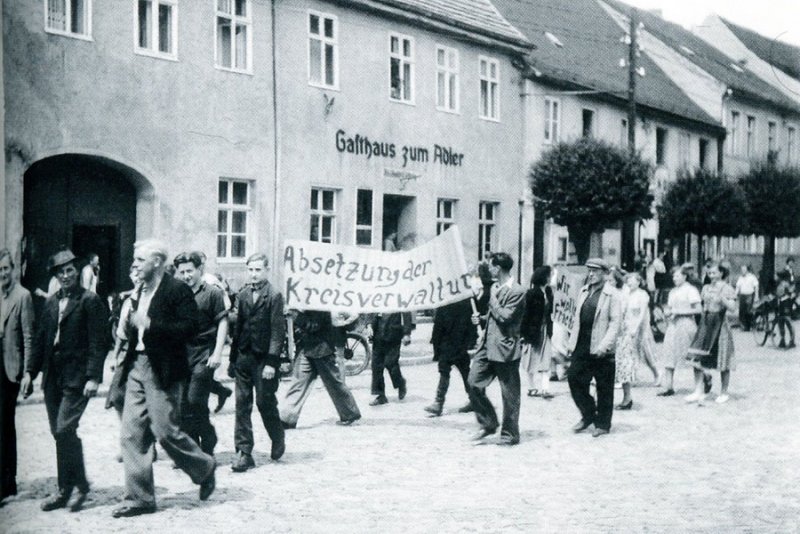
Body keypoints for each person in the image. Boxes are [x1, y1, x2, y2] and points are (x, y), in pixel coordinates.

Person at [112, 239, 216, 518]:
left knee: (165, 432)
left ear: (156, 262)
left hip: (163, 369)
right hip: (136, 365)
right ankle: (140, 498)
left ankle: (204, 468)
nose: (134, 265)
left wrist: (151, 325)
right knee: (131, 433)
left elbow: (190, 328)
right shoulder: (139, 289)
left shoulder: (176, 289)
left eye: (139, 260)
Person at [22, 249, 108, 512]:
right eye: (61, 272)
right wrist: (29, 372)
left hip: (77, 378)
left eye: (70, 270)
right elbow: (40, 341)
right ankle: (66, 489)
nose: (66, 275)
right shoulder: (51, 302)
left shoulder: (89, 300)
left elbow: (99, 342)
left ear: (77, 271)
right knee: (60, 433)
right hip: (53, 377)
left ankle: (78, 486)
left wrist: (93, 377)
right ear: (56, 277)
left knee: (63, 429)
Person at [229, 253, 286, 472]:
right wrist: (233, 359)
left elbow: (277, 332)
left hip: (264, 359)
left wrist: (272, 363)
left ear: (266, 270)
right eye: (251, 270)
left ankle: (277, 435)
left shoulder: (274, 295)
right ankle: (244, 452)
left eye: (258, 270)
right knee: (242, 404)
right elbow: (238, 329)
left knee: (264, 401)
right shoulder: (243, 294)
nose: (254, 274)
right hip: (244, 357)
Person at [467, 252, 526, 446]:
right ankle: (489, 422)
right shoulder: (495, 286)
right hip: (486, 346)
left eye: (491, 266)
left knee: (510, 394)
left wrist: (492, 298)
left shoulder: (518, 291)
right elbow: (494, 316)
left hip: (505, 348)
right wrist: (482, 318)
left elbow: (506, 317)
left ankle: (510, 434)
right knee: (473, 382)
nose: (489, 269)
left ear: (498, 268)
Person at [174, 252, 228, 455]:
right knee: (182, 405)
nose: (186, 276)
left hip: (204, 352)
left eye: (190, 271)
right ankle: (195, 448)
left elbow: (222, 322)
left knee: (195, 400)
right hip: (181, 353)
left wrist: (217, 353)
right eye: (182, 272)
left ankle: (208, 437)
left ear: (200, 270)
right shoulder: (176, 294)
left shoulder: (213, 293)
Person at [566, 258, 622, 438]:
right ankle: (588, 413)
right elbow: (576, 319)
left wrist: (604, 346)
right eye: (589, 271)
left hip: (601, 347)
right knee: (574, 378)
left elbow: (615, 324)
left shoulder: (612, 295)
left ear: (605, 274)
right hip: (582, 344)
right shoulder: (583, 291)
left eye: (595, 271)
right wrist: (571, 343)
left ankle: (603, 424)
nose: (591, 274)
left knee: (604, 386)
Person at [280, 310, 361, 427]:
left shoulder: (321, 307)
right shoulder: (310, 305)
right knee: (299, 383)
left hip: (323, 350)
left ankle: (350, 413)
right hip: (308, 348)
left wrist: (296, 316)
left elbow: (314, 326)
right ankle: (287, 418)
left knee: (334, 383)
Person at [0, 249, 34, 503]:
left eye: (5, 268)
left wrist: (28, 373)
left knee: (5, 423)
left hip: (9, 368)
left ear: (13, 270)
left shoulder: (23, 296)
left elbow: (28, 336)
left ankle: (7, 481)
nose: (2, 273)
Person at [685, 262, 737, 405]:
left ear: (721, 273)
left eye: (714, 273)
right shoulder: (706, 288)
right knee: (696, 356)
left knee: (722, 359)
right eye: (709, 273)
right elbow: (703, 306)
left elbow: (732, 308)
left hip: (720, 324)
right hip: (706, 323)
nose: (711, 276)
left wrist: (723, 299)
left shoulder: (727, 288)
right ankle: (698, 389)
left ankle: (724, 392)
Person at [425, 298, 476, 416]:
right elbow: (471, 328)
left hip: (447, 346)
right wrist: (469, 343)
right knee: (465, 372)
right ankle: (475, 399)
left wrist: (436, 350)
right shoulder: (466, 303)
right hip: (460, 346)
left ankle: (438, 403)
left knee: (445, 373)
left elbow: (437, 329)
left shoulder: (444, 305)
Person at [657, 265, 702, 396]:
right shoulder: (673, 292)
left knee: (691, 356)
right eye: (673, 276)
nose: (674, 278)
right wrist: (666, 313)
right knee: (669, 353)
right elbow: (670, 308)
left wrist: (679, 311)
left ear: (684, 276)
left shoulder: (691, 290)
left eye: (677, 276)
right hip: (673, 324)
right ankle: (668, 386)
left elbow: (698, 309)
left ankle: (702, 381)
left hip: (687, 324)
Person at [614, 272, 656, 410]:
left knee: (637, 354)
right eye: (628, 281)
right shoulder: (625, 294)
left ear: (639, 282)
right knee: (626, 358)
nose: (630, 283)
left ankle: (652, 374)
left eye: (632, 280)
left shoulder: (642, 295)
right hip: (624, 328)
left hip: (635, 328)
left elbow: (642, 313)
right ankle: (626, 386)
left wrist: (635, 328)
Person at [520, 266, 554, 399]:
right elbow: (526, 315)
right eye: (550, 275)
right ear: (544, 277)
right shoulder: (532, 293)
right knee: (531, 359)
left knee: (546, 358)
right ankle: (531, 387)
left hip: (546, 330)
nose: (551, 278)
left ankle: (545, 388)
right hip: (533, 330)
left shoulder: (549, 291)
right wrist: (523, 334)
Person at [369, 311, 413, 405]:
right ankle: (381, 395)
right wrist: (369, 325)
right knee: (376, 365)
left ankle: (400, 383)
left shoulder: (398, 300)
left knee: (390, 363)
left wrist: (407, 333)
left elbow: (406, 311)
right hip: (378, 333)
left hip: (393, 333)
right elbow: (370, 309)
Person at [775, 270, 796, 349]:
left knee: (785, 321)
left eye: (778, 276)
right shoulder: (784, 284)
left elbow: (780, 294)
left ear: (781, 277)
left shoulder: (783, 284)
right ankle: (787, 340)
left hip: (785, 303)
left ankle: (787, 340)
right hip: (785, 303)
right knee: (784, 322)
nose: (776, 277)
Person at [734, 265, 759, 331]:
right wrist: (735, 295)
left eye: (744, 270)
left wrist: (756, 296)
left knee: (748, 311)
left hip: (749, 295)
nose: (742, 271)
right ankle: (743, 326)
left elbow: (756, 286)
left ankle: (749, 325)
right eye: (742, 270)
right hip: (742, 296)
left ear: (747, 270)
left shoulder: (752, 277)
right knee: (742, 311)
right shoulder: (740, 278)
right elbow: (738, 287)